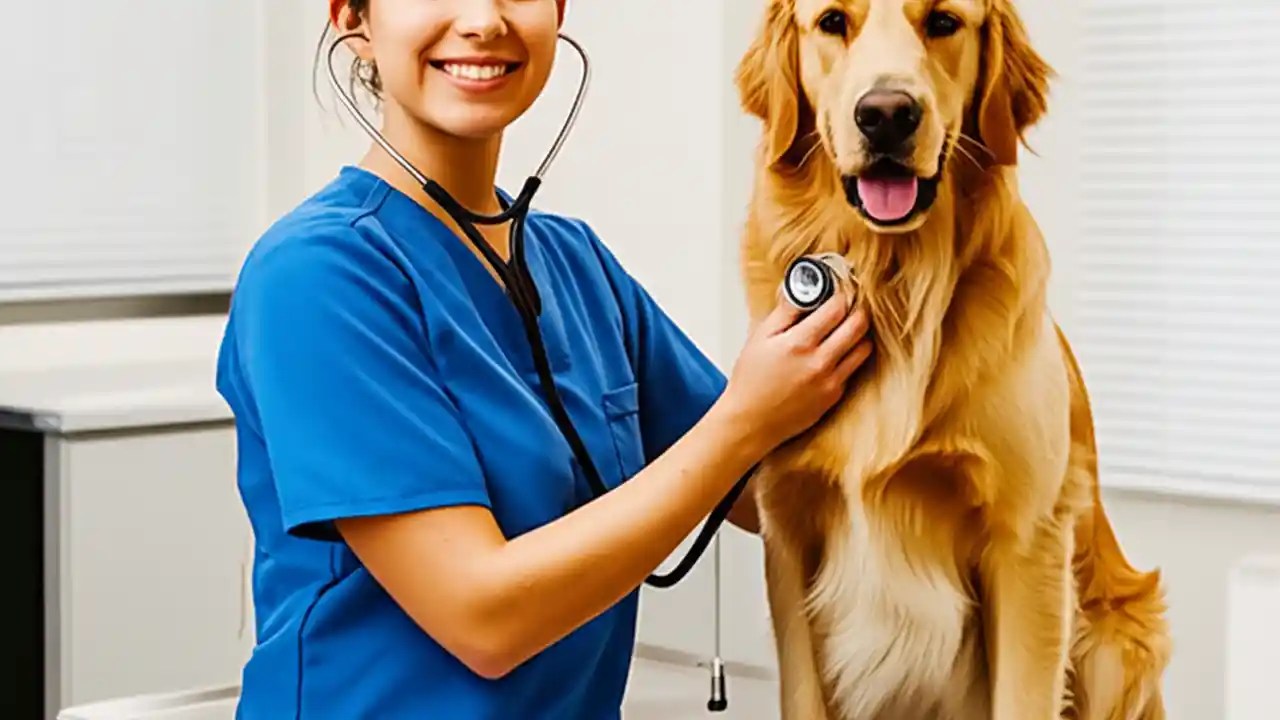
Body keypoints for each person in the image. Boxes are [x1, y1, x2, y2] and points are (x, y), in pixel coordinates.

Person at [214, 0, 873, 717]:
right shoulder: (317, 276)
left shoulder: (577, 264)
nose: (483, 20)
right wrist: (748, 419)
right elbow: (483, 617)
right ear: (353, 19)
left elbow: (772, 491)